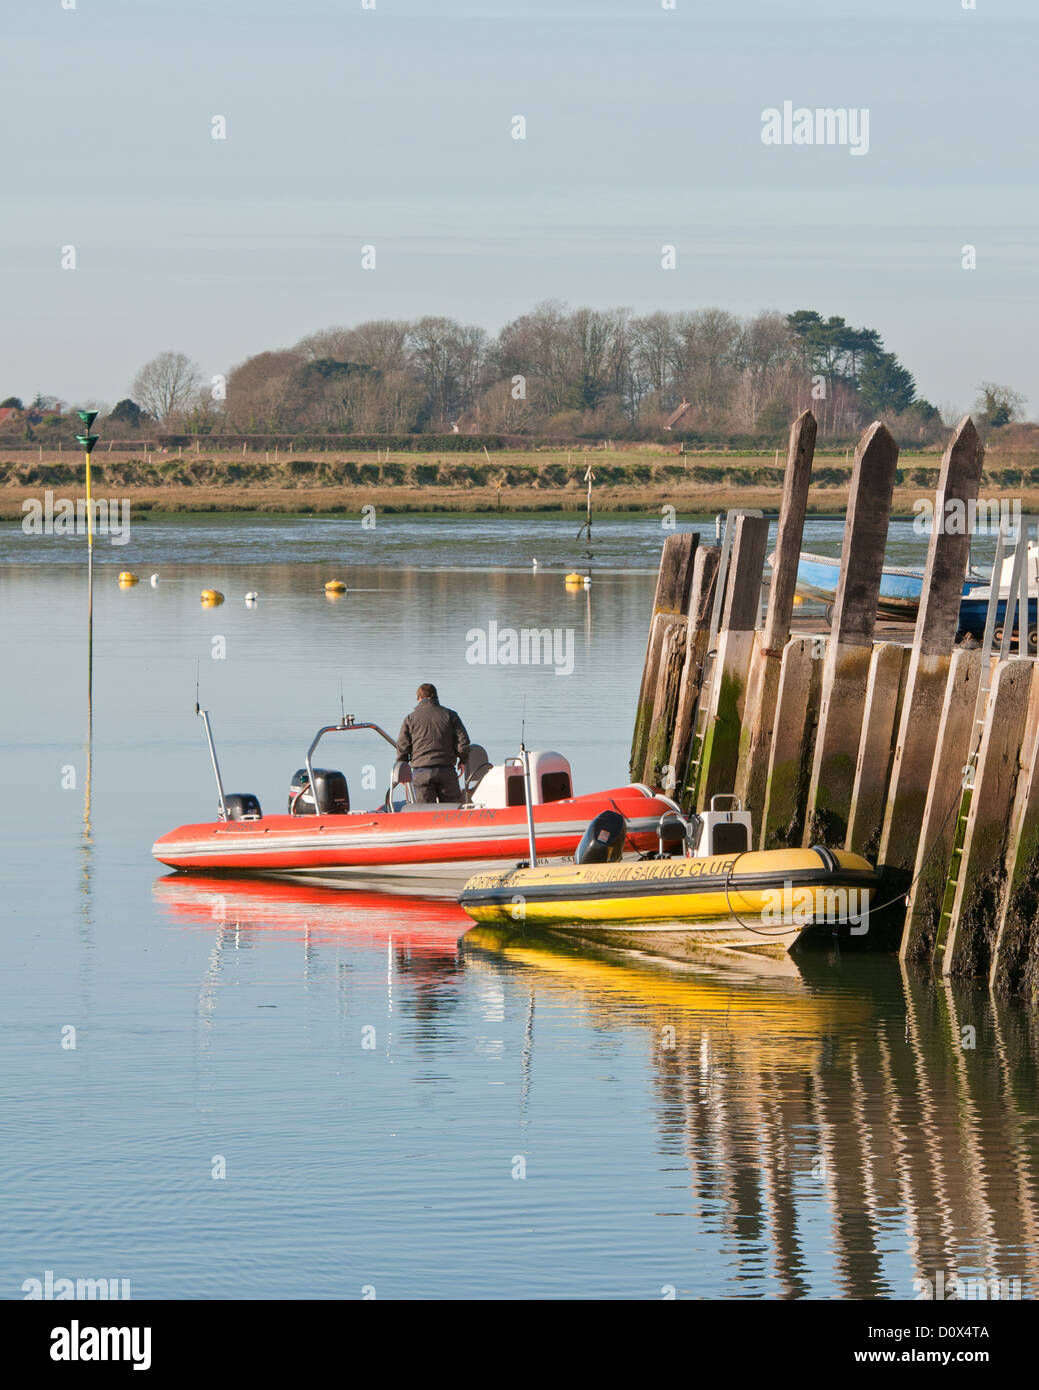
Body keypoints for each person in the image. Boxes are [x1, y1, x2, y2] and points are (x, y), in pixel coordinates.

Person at [396, 684, 471, 804]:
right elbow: (463, 741)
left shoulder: (410, 719)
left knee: (425, 814)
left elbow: (402, 746)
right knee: (452, 812)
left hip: (421, 772)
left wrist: (403, 767)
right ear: (436, 697)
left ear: (419, 698)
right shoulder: (450, 715)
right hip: (446, 770)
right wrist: (462, 760)